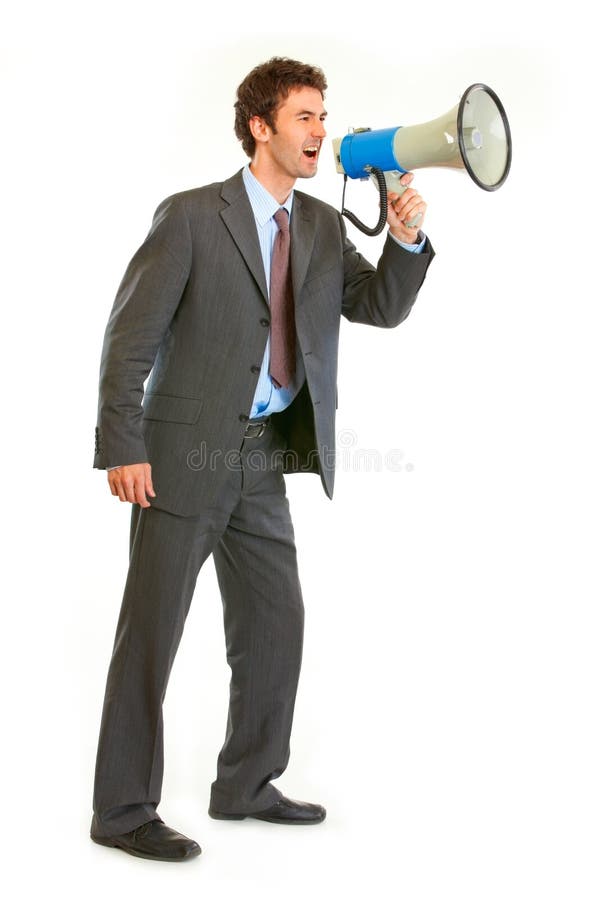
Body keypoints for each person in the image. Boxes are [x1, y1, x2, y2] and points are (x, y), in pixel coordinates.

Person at [90, 57, 435, 862]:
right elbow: (128, 340)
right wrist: (122, 447)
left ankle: (244, 783)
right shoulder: (187, 217)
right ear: (260, 126)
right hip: (176, 458)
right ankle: (121, 810)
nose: (321, 130)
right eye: (305, 116)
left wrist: (408, 238)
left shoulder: (318, 225)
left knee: (277, 624)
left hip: (262, 458)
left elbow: (378, 306)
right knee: (151, 635)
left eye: (324, 115)